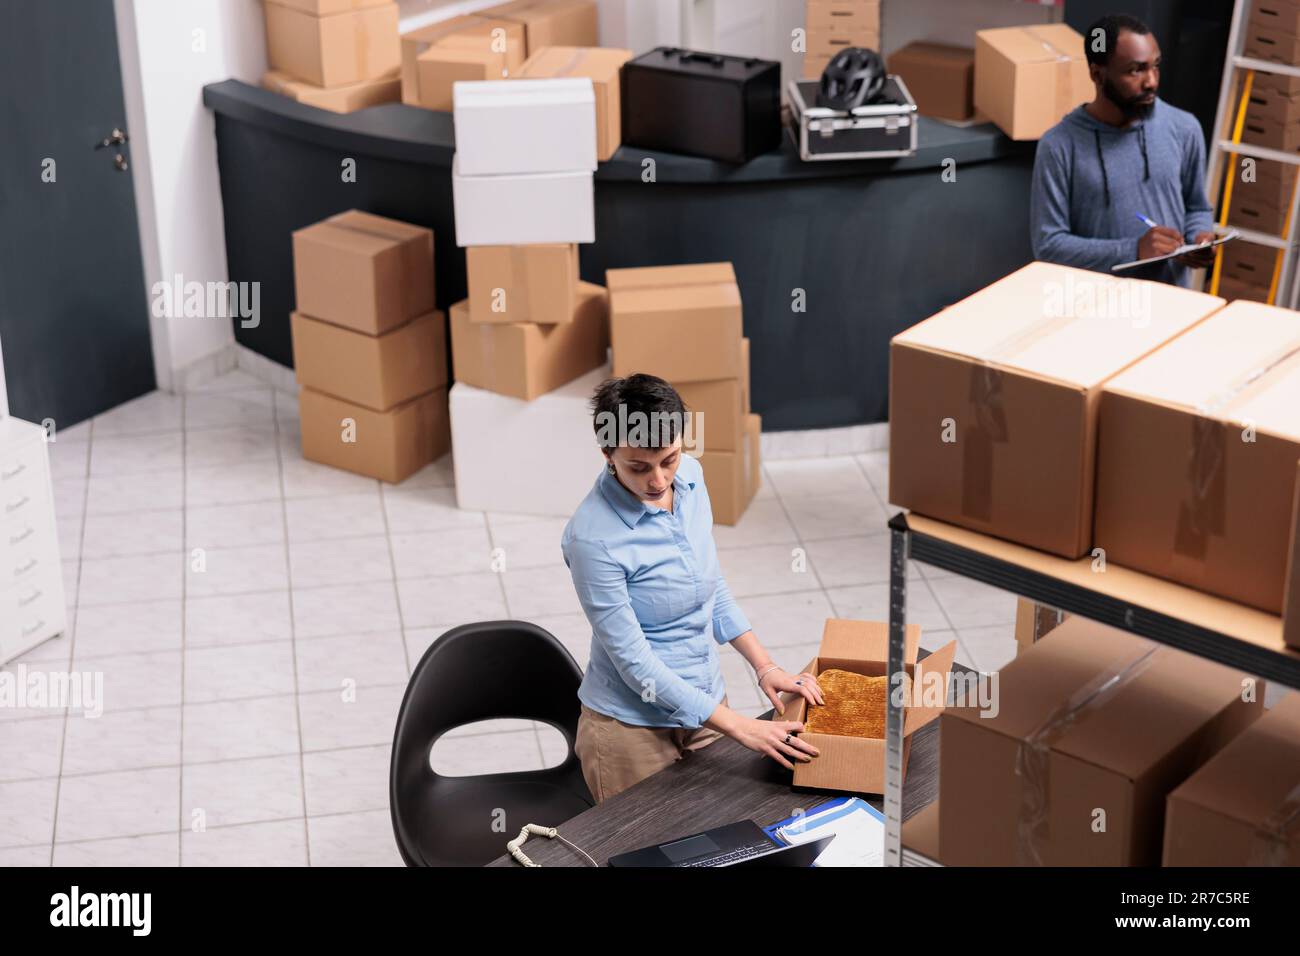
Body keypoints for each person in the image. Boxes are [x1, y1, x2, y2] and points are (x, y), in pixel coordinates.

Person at [561, 373, 824, 803]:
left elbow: (709, 582)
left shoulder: (692, 479)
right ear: (607, 453)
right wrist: (739, 725)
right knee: (646, 851)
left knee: (722, 829)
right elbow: (635, 664)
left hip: (703, 704)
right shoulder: (593, 539)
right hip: (630, 730)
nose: (659, 480)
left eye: (669, 459)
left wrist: (765, 667)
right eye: (638, 467)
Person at [1030, 13, 1216, 286]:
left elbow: (1197, 206)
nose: (1151, 81)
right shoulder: (1058, 146)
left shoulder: (1184, 128)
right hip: (1093, 311)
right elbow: (1048, 246)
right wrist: (1134, 250)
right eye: (1135, 70)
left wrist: (1199, 237)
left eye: (1155, 66)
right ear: (1097, 74)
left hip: (1172, 303)